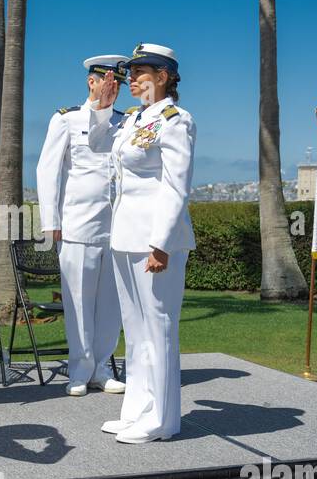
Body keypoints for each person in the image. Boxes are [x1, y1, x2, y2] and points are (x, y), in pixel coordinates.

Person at [101, 43, 196, 444]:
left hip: (156, 239)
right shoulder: (132, 120)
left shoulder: (175, 120)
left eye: (142, 72)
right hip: (125, 235)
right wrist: (104, 107)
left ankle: (161, 420)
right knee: (136, 330)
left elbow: (177, 185)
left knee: (159, 328)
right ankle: (138, 409)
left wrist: (161, 244)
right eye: (132, 72)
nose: (133, 79)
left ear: (164, 76)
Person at [35, 54, 130, 396]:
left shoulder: (127, 122)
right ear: (91, 81)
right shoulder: (67, 119)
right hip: (77, 224)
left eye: (118, 82)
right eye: (107, 80)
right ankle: (79, 368)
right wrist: (51, 221)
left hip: (118, 227)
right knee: (77, 300)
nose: (113, 87)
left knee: (110, 303)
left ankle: (102, 366)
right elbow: (47, 170)